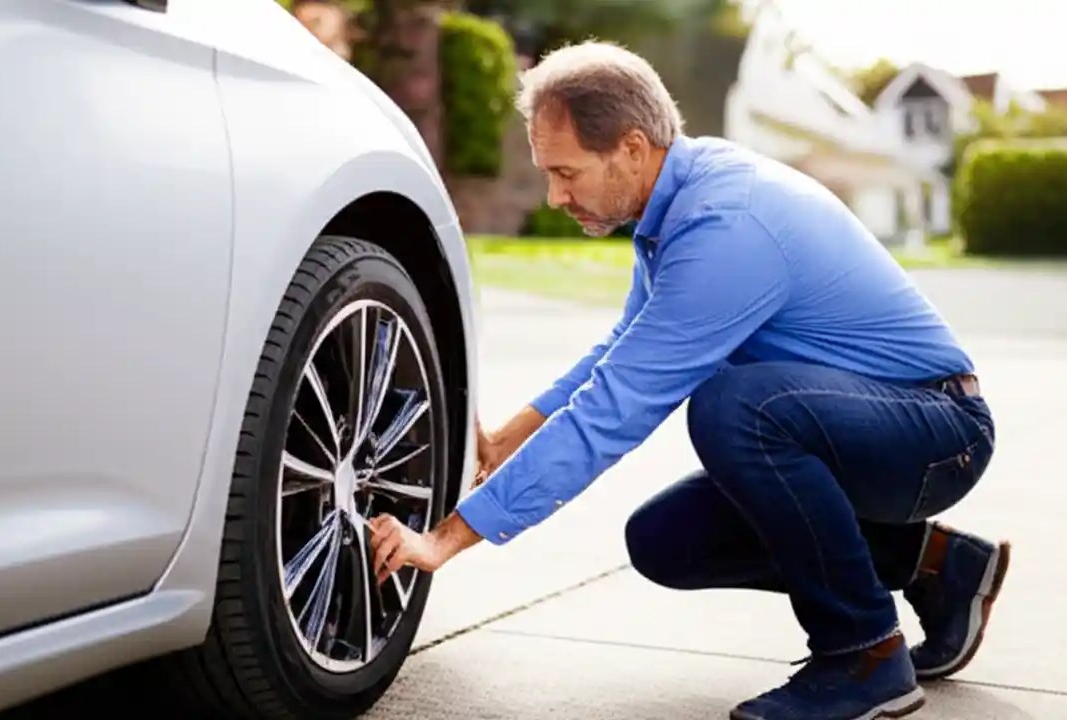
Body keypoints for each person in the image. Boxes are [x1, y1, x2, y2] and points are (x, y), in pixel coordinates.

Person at [368, 40, 1008, 720]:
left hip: (937, 433)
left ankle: (866, 656)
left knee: (736, 409)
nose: (554, 196)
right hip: (868, 426)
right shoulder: (676, 205)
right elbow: (623, 350)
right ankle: (935, 564)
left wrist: (446, 539)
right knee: (667, 542)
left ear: (633, 149)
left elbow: (615, 411)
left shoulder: (725, 226)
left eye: (567, 172)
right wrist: (507, 437)